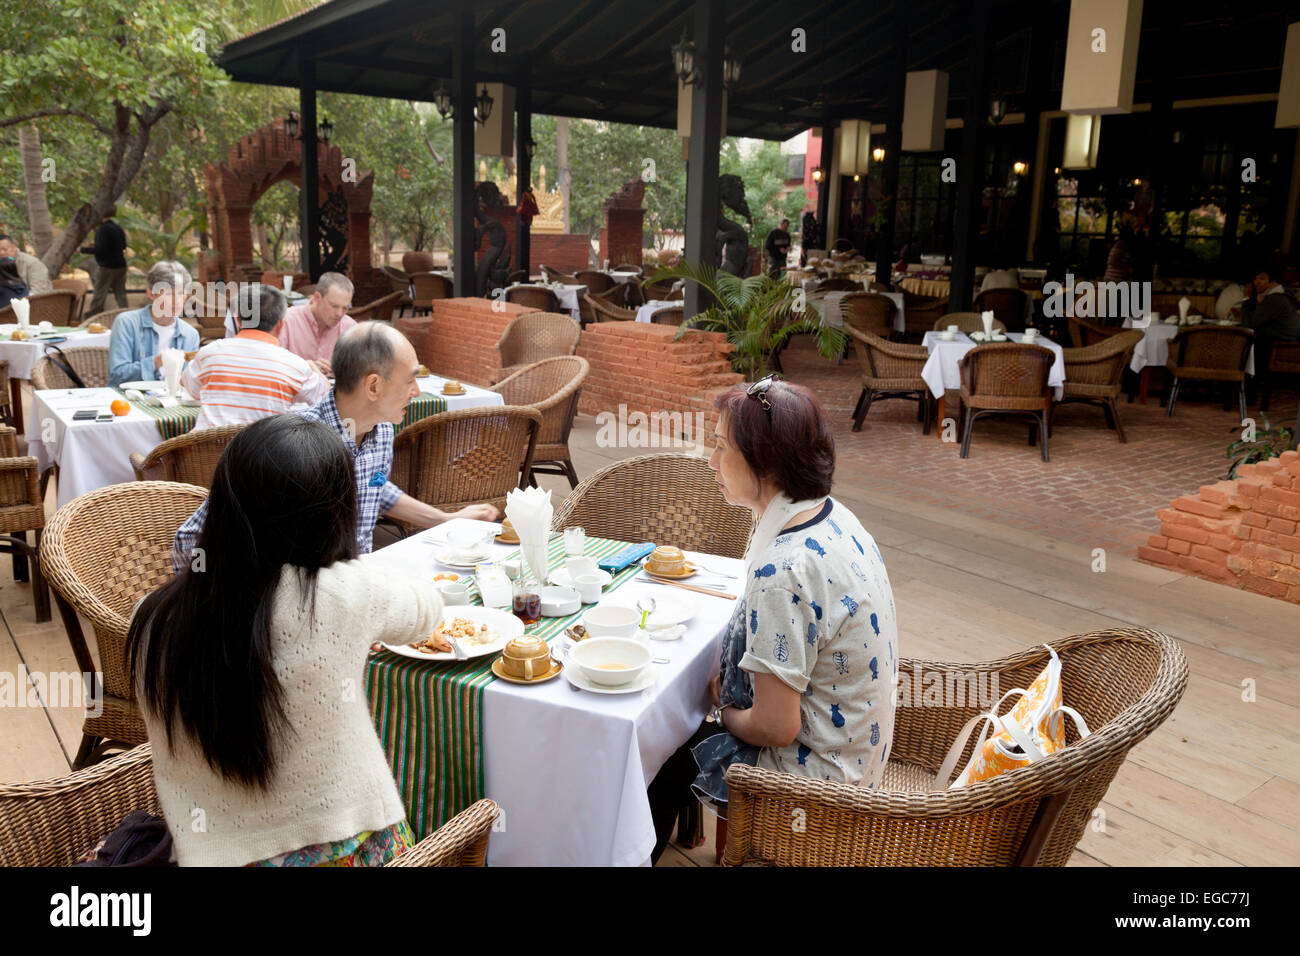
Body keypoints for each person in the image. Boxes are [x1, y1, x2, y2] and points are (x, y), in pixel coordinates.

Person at [129, 415, 442, 866]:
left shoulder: (151, 617)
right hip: (349, 849)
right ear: (335, 512)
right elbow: (426, 610)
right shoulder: (344, 594)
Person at [646, 376, 898, 862]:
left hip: (816, 791)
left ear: (766, 462)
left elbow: (774, 727)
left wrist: (721, 713)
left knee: (665, 747)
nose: (711, 461)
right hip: (860, 754)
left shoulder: (781, 569)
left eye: (721, 447)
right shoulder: (835, 516)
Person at [173, 322, 498, 570]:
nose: (416, 391)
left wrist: (448, 518)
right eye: (411, 379)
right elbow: (190, 542)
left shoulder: (381, 430)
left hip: (358, 588)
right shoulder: (290, 447)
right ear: (373, 386)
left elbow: (374, 487)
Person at [181, 283, 329, 430]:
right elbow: (325, 398)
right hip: (263, 451)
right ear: (281, 324)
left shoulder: (209, 353)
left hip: (206, 451)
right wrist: (314, 368)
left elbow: (192, 390)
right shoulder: (294, 366)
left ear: (238, 320)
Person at [106, 260, 200, 386]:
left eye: (181, 293)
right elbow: (117, 376)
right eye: (168, 294)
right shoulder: (126, 323)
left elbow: (189, 383)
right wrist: (158, 361)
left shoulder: (190, 334)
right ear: (151, 294)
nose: (176, 301)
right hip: (128, 401)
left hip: (172, 402)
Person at [276, 271, 358, 377]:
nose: (339, 314)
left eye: (345, 308)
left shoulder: (350, 327)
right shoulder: (287, 321)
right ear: (316, 298)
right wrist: (305, 368)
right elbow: (272, 365)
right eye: (334, 306)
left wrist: (339, 371)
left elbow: (361, 370)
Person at [1241, 261, 1300, 400]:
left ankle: (1249, 393)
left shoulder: (1275, 299)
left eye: (1262, 278)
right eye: (1255, 278)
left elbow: (1250, 324)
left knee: (1247, 346)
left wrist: (1246, 300)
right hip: (1278, 342)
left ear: (1272, 281)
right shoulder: (1274, 297)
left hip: (1282, 346)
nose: (1257, 282)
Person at [81, 206, 128, 315]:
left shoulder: (102, 229)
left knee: (99, 294)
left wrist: (82, 250)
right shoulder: (117, 228)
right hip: (121, 265)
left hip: (107, 267)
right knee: (121, 295)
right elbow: (123, 246)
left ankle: (91, 317)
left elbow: (101, 250)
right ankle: (127, 315)